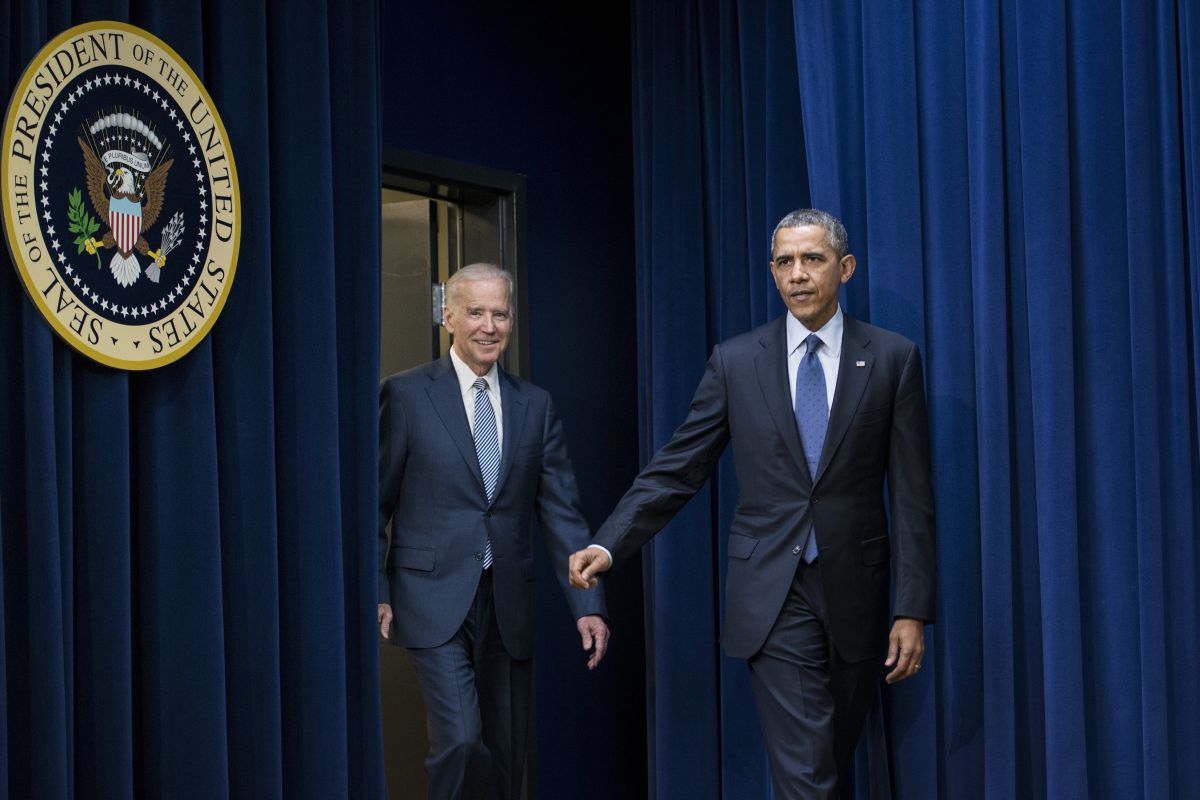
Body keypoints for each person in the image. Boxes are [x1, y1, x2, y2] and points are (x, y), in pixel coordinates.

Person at [569, 209, 935, 799]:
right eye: (784, 262)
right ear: (771, 272)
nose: (797, 274)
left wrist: (911, 608)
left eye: (812, 260)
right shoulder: (736, 361)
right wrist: (609, 541)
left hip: (856, 595)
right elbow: (679, 466)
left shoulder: (892, 358)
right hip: (772, 593)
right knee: (807, 778)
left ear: (845, 268)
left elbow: (914, 497)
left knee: (828, 765)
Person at [379, 262, 609, 800]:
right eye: (476, 312)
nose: (489, 326)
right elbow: (375, 501)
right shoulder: (408, 395)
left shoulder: (536, 405)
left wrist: (590, 603)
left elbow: (562, 513)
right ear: (449, 316)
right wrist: (379, 590)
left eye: (500, 314)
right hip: (430, 598)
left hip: (508, 604)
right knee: (460, 742)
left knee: (506, 761)